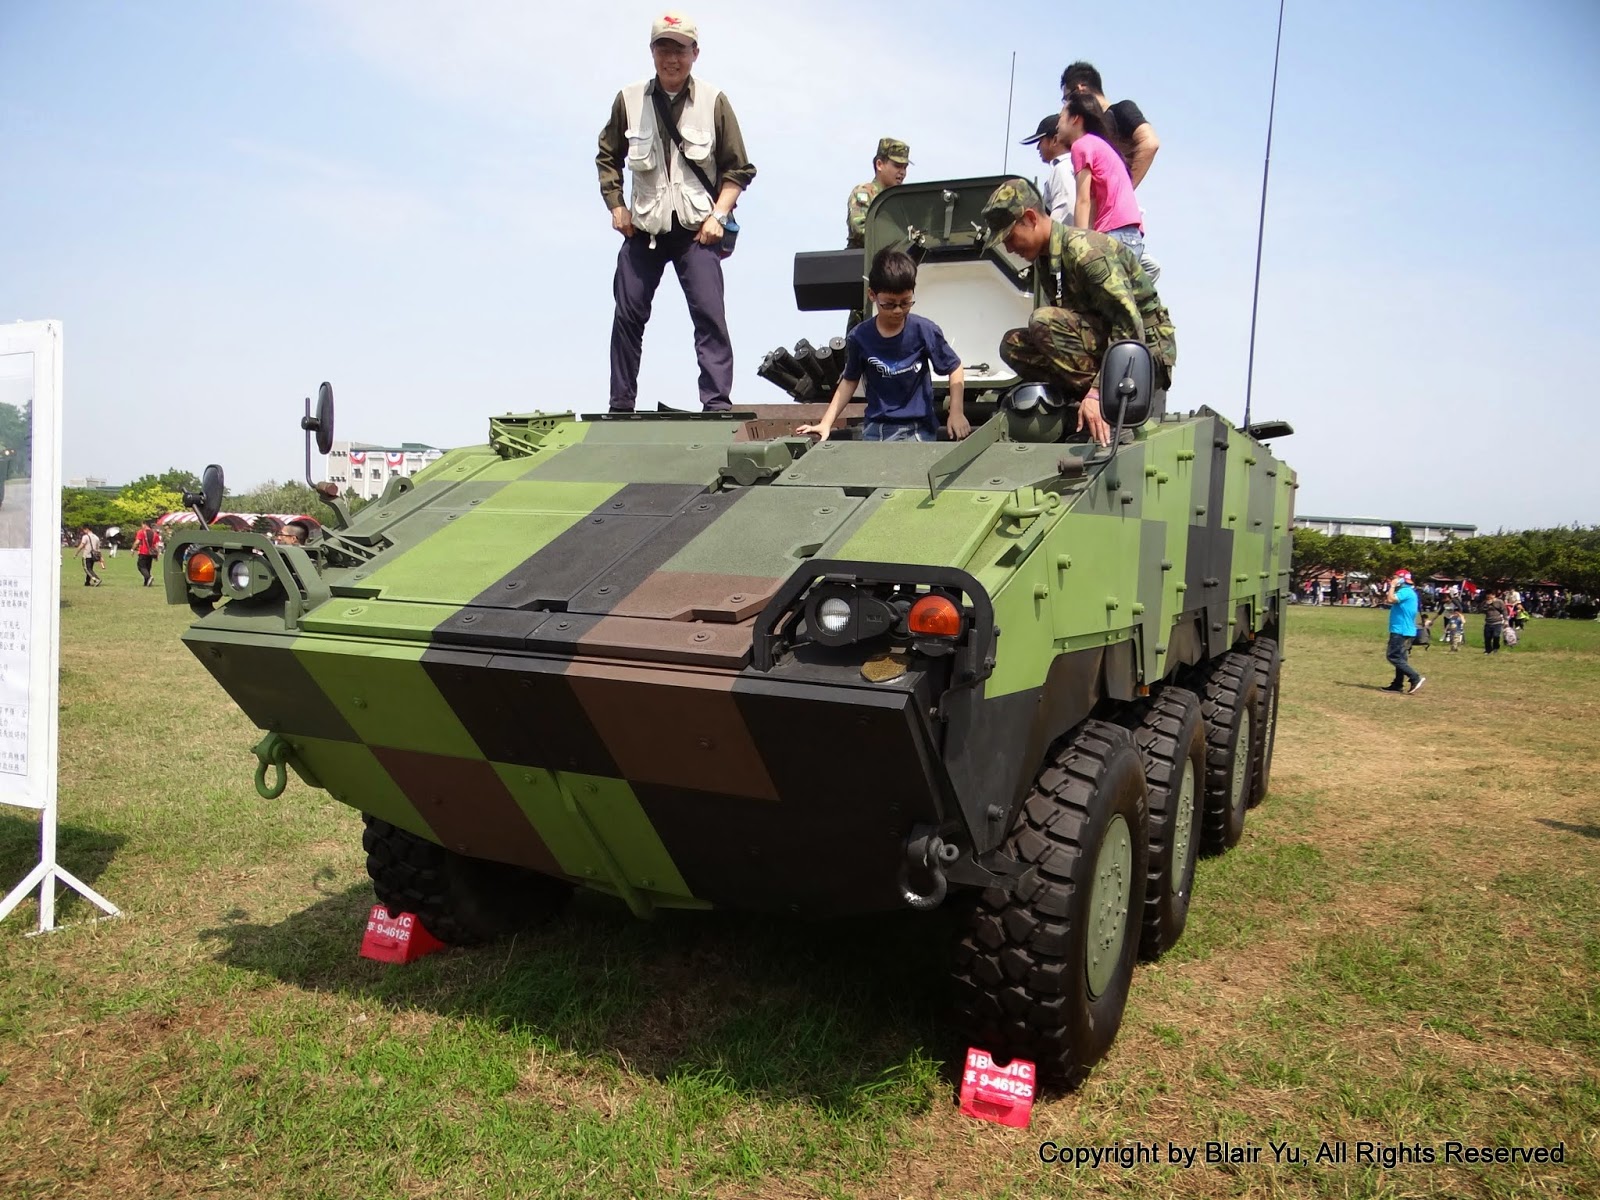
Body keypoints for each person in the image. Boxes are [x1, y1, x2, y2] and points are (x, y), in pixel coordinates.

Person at [597, 11, 756, 414]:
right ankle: (621, 404)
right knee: (628, 314)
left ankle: (717, 403)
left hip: (696, 229)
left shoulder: (714, 101)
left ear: (695, 53)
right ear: (652, 52)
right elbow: (607, 155)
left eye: (680, 49)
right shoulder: (629, 99)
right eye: (664, 48)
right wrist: (616, 205)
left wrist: (718, 216)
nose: (672, 58)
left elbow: (738, 168)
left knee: (709, 315)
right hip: (645, 228)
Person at [979, 178, 1176, 445]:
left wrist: (1098, 394)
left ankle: (1109, 409)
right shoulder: (1046, 260)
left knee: (1043, 322)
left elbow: (1130, 326)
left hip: (1143, 353)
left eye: (1010, 237)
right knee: (1013, 346)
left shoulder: (1087, 253)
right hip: (1107, 343)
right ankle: (1076, 408)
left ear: (1030, 218)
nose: (1010, 248)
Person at [797, 248, 967, 443]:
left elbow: (954, 367)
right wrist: (826, 422)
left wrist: (956, 411)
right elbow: (849, 381)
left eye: (905, 303)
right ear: (872, 295)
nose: (897, 310)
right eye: (889, 304)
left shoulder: (924, 330)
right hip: (875, 429)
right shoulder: (859, 337)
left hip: (917, 429)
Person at [1059, 91, 1145, 261]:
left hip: (1115, 235)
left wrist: (1079, 249)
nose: (1057, 124)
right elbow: (1091, 202)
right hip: (1131, 236)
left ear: (1075, 119)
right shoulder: (1101, 145)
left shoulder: (1081, 146)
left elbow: (1082, 201)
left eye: (1061, 117)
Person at [1059, 61, 1160, 188]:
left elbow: (1150, 143)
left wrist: (1125, 189)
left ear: (1080, 89)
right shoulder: (1089, 126)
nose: (1068, 106)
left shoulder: (1122, 110)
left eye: (1067, 98)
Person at [845, 138, 911, 249]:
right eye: (897, 166)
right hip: (863, 260)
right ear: (879, 164)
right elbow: (860, 229)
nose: (902, 172)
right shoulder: (864, 193)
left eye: (905, 167)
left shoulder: (902, 202)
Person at [1019, 115, 1074, 223]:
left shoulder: (1062, 168)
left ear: (1054, 140)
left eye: (1040, 141)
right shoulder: (1074, 163)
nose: (1037, 147)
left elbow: (1066, 211)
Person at [1381, 569, 1424, 693]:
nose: (1392, 580)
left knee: (1393, 656)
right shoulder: (1409, 591)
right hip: (1405, 629)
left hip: (1401, 630)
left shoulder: (1405, 591)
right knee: (1401, 658)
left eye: (1395, 577)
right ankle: (1397, 684)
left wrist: (1392, 586)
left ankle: (1415, 677)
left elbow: (1390, 599)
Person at [132, 518, 162, 587]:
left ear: (144, 524)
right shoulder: (155, 534)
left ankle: (149, 577)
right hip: (150, 554)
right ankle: (146, 583)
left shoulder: (141, 532)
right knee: (148, 567)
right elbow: (156, 546)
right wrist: (156, 555)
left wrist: (132, 549)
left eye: (142, 524)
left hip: (143, 552)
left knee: (141, 566)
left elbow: (137, 542)